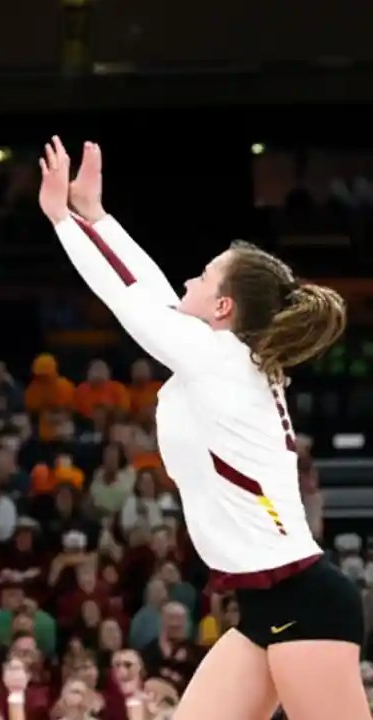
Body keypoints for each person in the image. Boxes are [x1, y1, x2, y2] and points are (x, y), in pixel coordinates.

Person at [36, 136, 364, 719]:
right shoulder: (223, 358)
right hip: (266, 604)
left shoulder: (220, 360)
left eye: (204, 276)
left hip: (303, 600)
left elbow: (128, 301)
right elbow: (149, 293)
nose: (188, 280)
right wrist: (97, 216)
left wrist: (64, 219)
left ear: (223, 309)